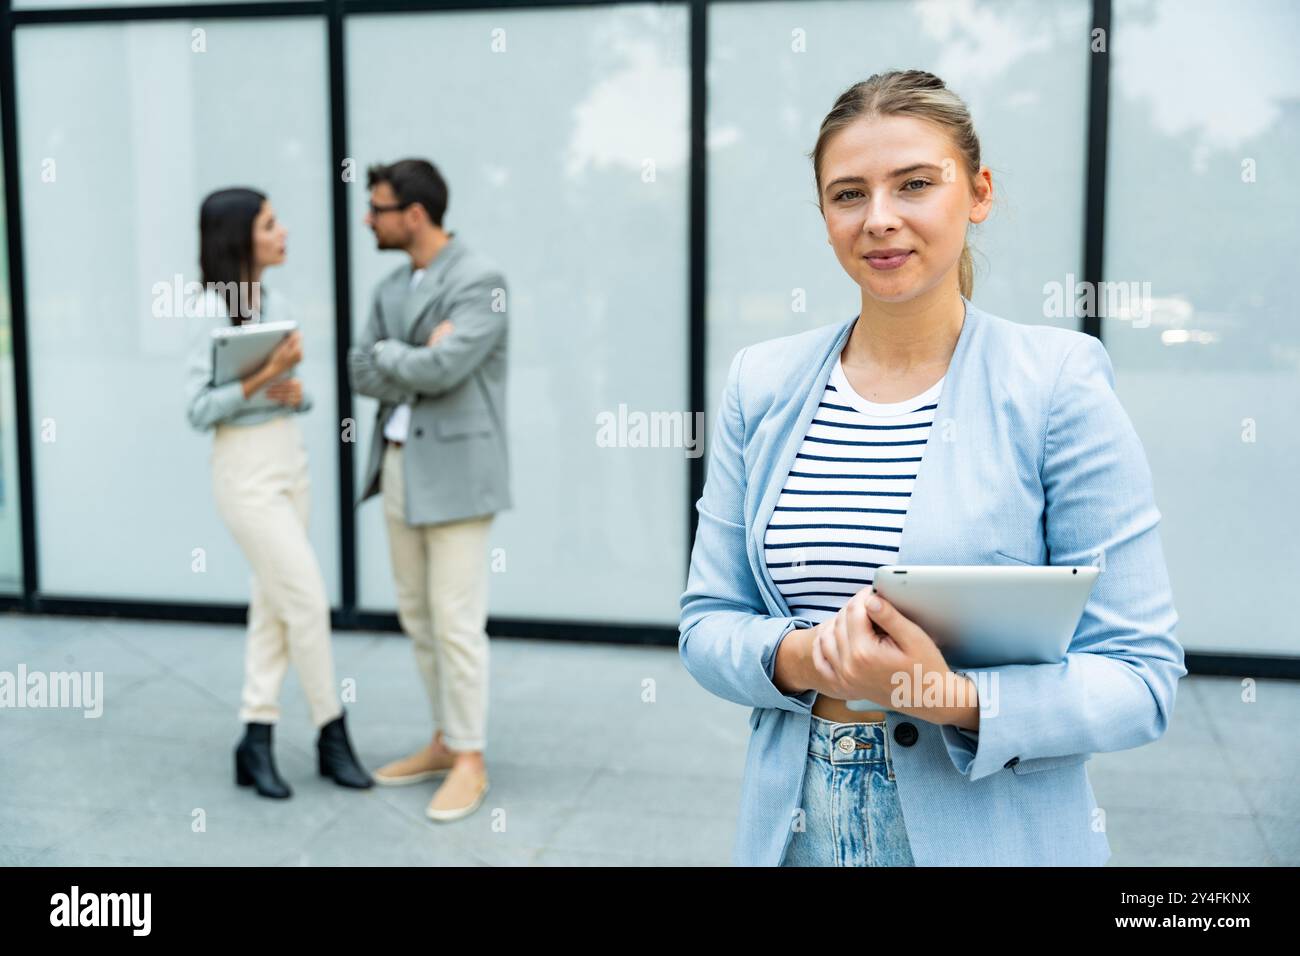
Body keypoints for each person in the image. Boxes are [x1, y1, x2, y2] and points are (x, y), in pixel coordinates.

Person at [678, 70, 1186, 866]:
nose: (880, 220)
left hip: (987, 831)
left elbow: (1141, 677)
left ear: (978, 193)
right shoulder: (763, 383)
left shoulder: (1056, 383)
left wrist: (946, 697)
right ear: (824, 214)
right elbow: (707, 623)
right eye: (849, 194)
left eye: (914, 184)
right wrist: (806, 656)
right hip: (797, 826)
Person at [186, 187, 372, 799]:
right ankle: (331, 731)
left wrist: (295, 392)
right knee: (307, 602)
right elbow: (198, 409)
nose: (283, 231)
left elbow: (300, 392)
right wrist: (266, 377)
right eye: (270, 223)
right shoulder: (205, 310)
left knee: (273, 607)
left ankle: (256, 738)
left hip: (290, 463)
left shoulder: (277, 300)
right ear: (241, 236)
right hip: (244, 475)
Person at [347, 159, 510, 822]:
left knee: (456, 620)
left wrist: (399, 355)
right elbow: (361, 365)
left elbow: (445, 367)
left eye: (378, 208)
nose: (368, 219)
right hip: (396, 465)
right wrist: (403, 354)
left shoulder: (479, 280)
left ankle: (470, 757)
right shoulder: (390, 285)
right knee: (417, 617)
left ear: (413, 214)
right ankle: (446, 738)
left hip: (458, 474)